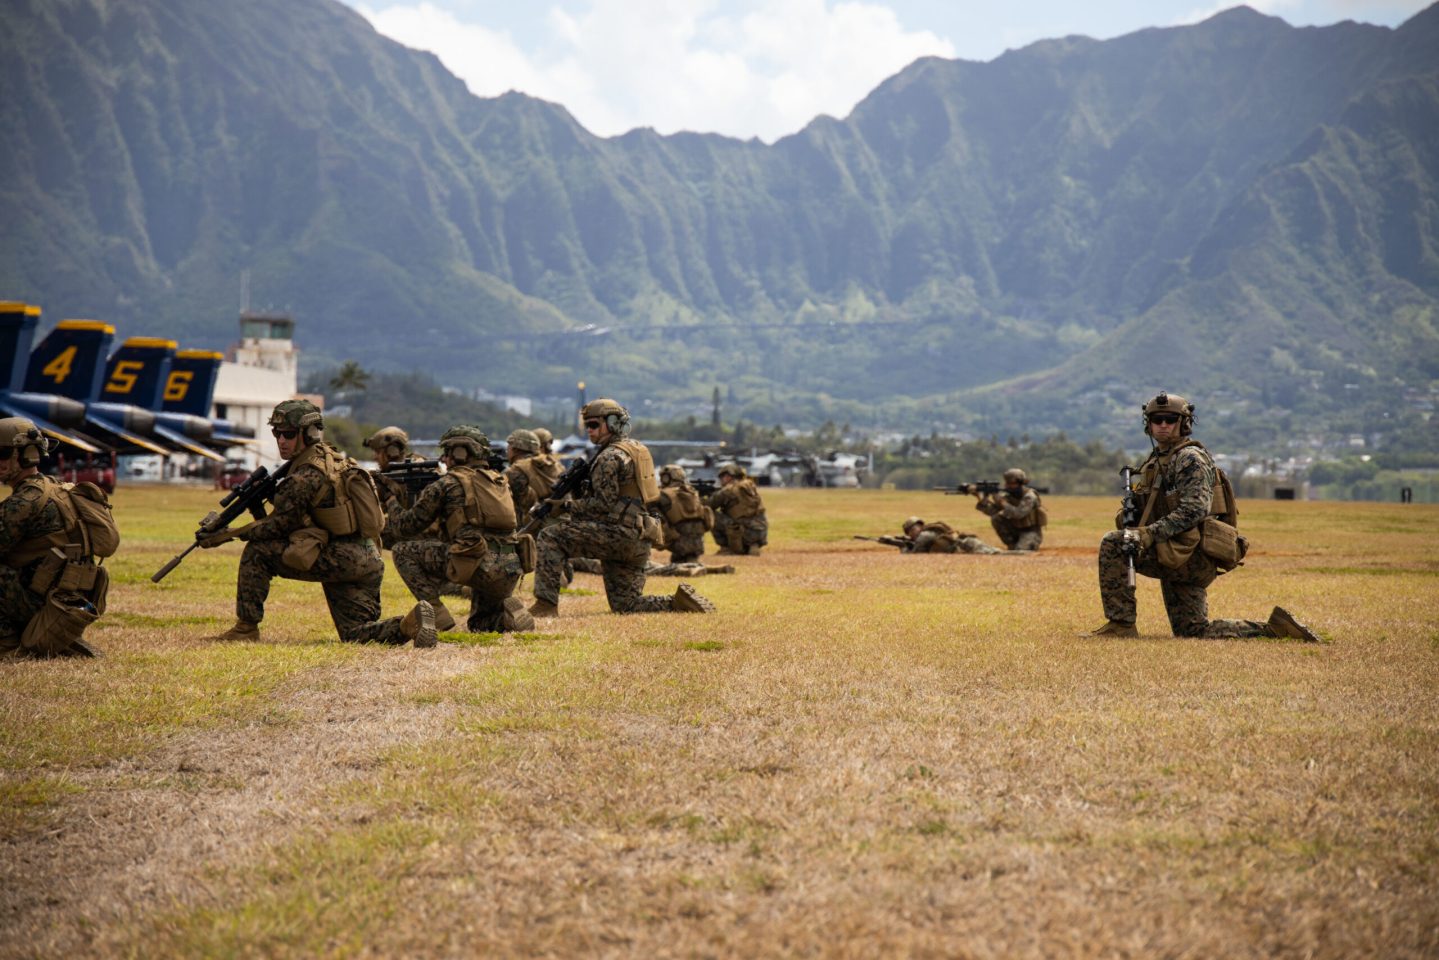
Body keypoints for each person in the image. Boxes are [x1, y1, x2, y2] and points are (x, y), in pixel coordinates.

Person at [205, 400, 436, 647]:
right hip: (368, 559)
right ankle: (411, 623)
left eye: (289, 434)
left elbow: (279, 527)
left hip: (341, 558)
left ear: (308, 433)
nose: (281, 440)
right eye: (277, 433)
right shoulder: (334, 459)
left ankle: (245, 628)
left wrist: (230, 533)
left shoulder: (304, 475)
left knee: (257, 552)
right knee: (356, 634)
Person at [1093, 392, 1320, 641]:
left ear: (1184, 423)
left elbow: (1195, 509)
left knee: (1115, 543)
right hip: (1177, 550)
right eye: (1157, 419)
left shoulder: (1190, 458)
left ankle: (1121, 626)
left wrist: (1146, 534)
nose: (1163, 425)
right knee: (1193, 631)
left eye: (1170, 419)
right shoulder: (1157, 461)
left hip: (1191, 553)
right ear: (1149, 424)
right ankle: (1276, 630)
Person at [529, 399, 714, 618]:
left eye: (594, 425)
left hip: (616, 535)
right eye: (587, 425)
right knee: (626, 605)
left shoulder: (608, 457)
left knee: (551, 536)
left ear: (613, 423)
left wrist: (566, 506)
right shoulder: (637, 449)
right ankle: (679, 604)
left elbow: (602, 505)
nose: (589, 430)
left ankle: (545, 605)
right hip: (639, 537)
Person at [384, 425, 534, 634]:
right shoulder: (501, 481)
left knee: (402, 551)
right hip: (510, 570)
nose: (444, 459)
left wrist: (390, 500)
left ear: (460, 452)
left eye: (447, 452)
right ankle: (508, 619)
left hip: (475, 564)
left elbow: (405, 527)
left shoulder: (448, 483)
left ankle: (438, 617)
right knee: (480, 626)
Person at [0, 418, 111, 659]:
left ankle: (9, 643)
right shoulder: (58, 488)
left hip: (43, 604)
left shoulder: (24, 502)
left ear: (27, 455)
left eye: (3, 454)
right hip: (65, 603)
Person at [364, 425, 437, 548]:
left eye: (377, 452)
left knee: (365, 529)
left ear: (391, 452)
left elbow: (374, 512)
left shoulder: (404, 474)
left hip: (422, 533)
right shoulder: (418, 465)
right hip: (426, 532)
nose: (374, 457)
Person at [973, 468, 1045, 550]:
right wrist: (980, 497)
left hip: (1031, 532)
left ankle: (1021, 546)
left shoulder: (1029, 496)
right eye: (1007, 483)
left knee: (1020, 552)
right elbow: (992, 511)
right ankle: (1011, 544)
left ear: (1020, 483)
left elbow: (1018, 514)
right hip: (1016, 530)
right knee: (996, 518)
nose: (1007, 486)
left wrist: (1001, 502)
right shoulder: (1008, 497)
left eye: (1011, 483)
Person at [707, 462, 767, 556]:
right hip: (759, 532)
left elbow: (710, 505)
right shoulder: (750, 486)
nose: (721, 480)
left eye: (722, 477)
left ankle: (726, 548)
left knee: (709, 514)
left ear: (728, 476)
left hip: (742, 531)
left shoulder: (728, 490)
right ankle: (752, 545)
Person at [657, 464, 711, 563]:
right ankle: (689, 558)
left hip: (678, 541)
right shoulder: (693, 492)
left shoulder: (665, 494)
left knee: (652, 517)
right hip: (698, 542)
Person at [505, 428, 562, 520]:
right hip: (560, 516)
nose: (507, 451)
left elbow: (523, 504)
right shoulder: (551, 463)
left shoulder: (516, 469)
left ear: (515, 449)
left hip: (537, 521)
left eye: (508, 448)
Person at [900, 517, 1002, 554]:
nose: (912, 535)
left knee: (1001, 555)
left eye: (911, 532)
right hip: (968, 543)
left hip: (968, 547)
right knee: (1000, 553)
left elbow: (916, 555)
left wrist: (904, 548)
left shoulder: (924, 535)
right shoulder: (931, 530)